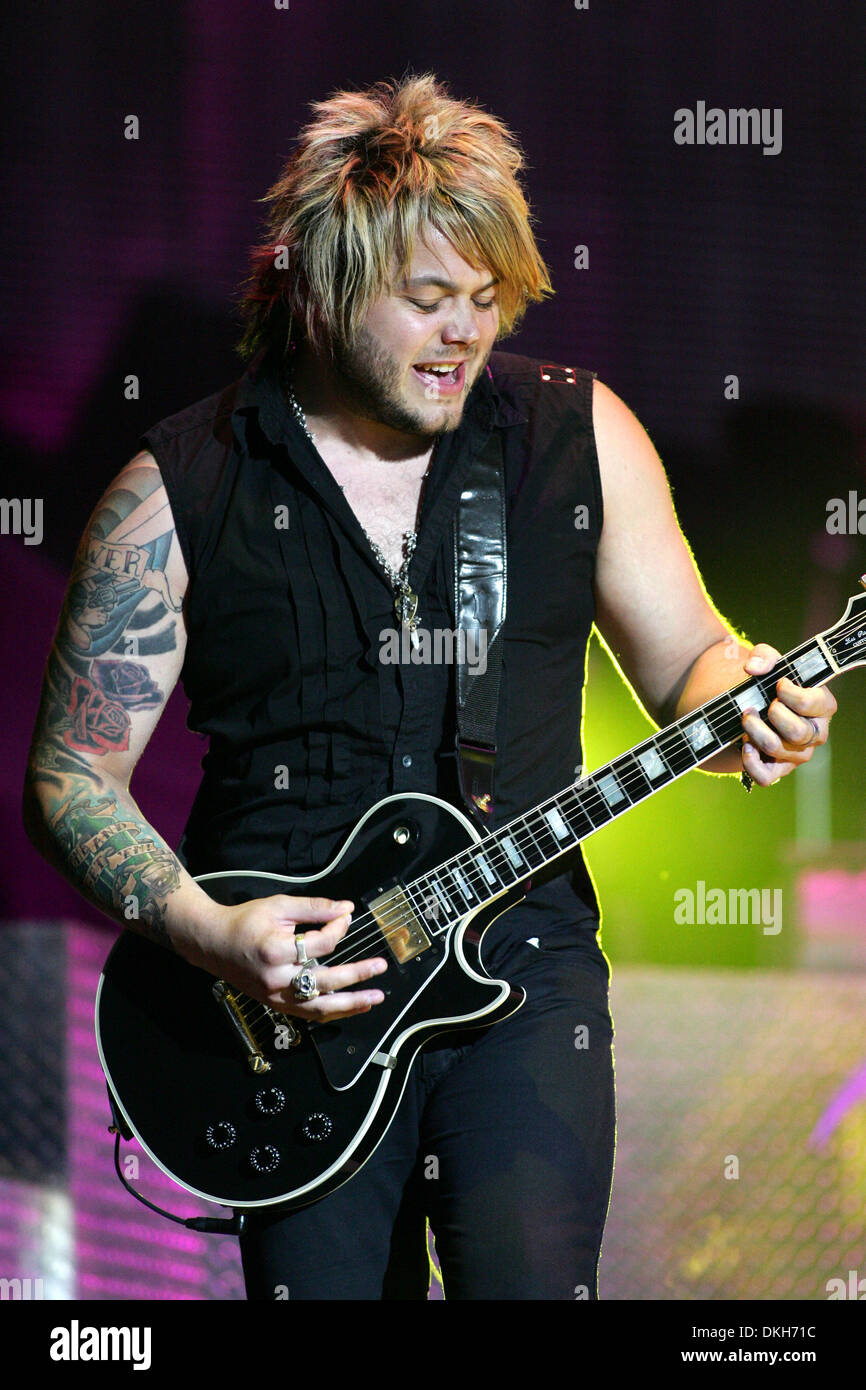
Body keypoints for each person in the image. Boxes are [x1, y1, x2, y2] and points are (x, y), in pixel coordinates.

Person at [23, 71, 837, 1300]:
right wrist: (205, 930)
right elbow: (70, 772)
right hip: (288, 1009)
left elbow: (691, 669)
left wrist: (754, 705)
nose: (466, 332)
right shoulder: (177, 487)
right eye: (426, 301)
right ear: (320, 281)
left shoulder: (574, 438)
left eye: (485, 300)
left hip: (526, 971)